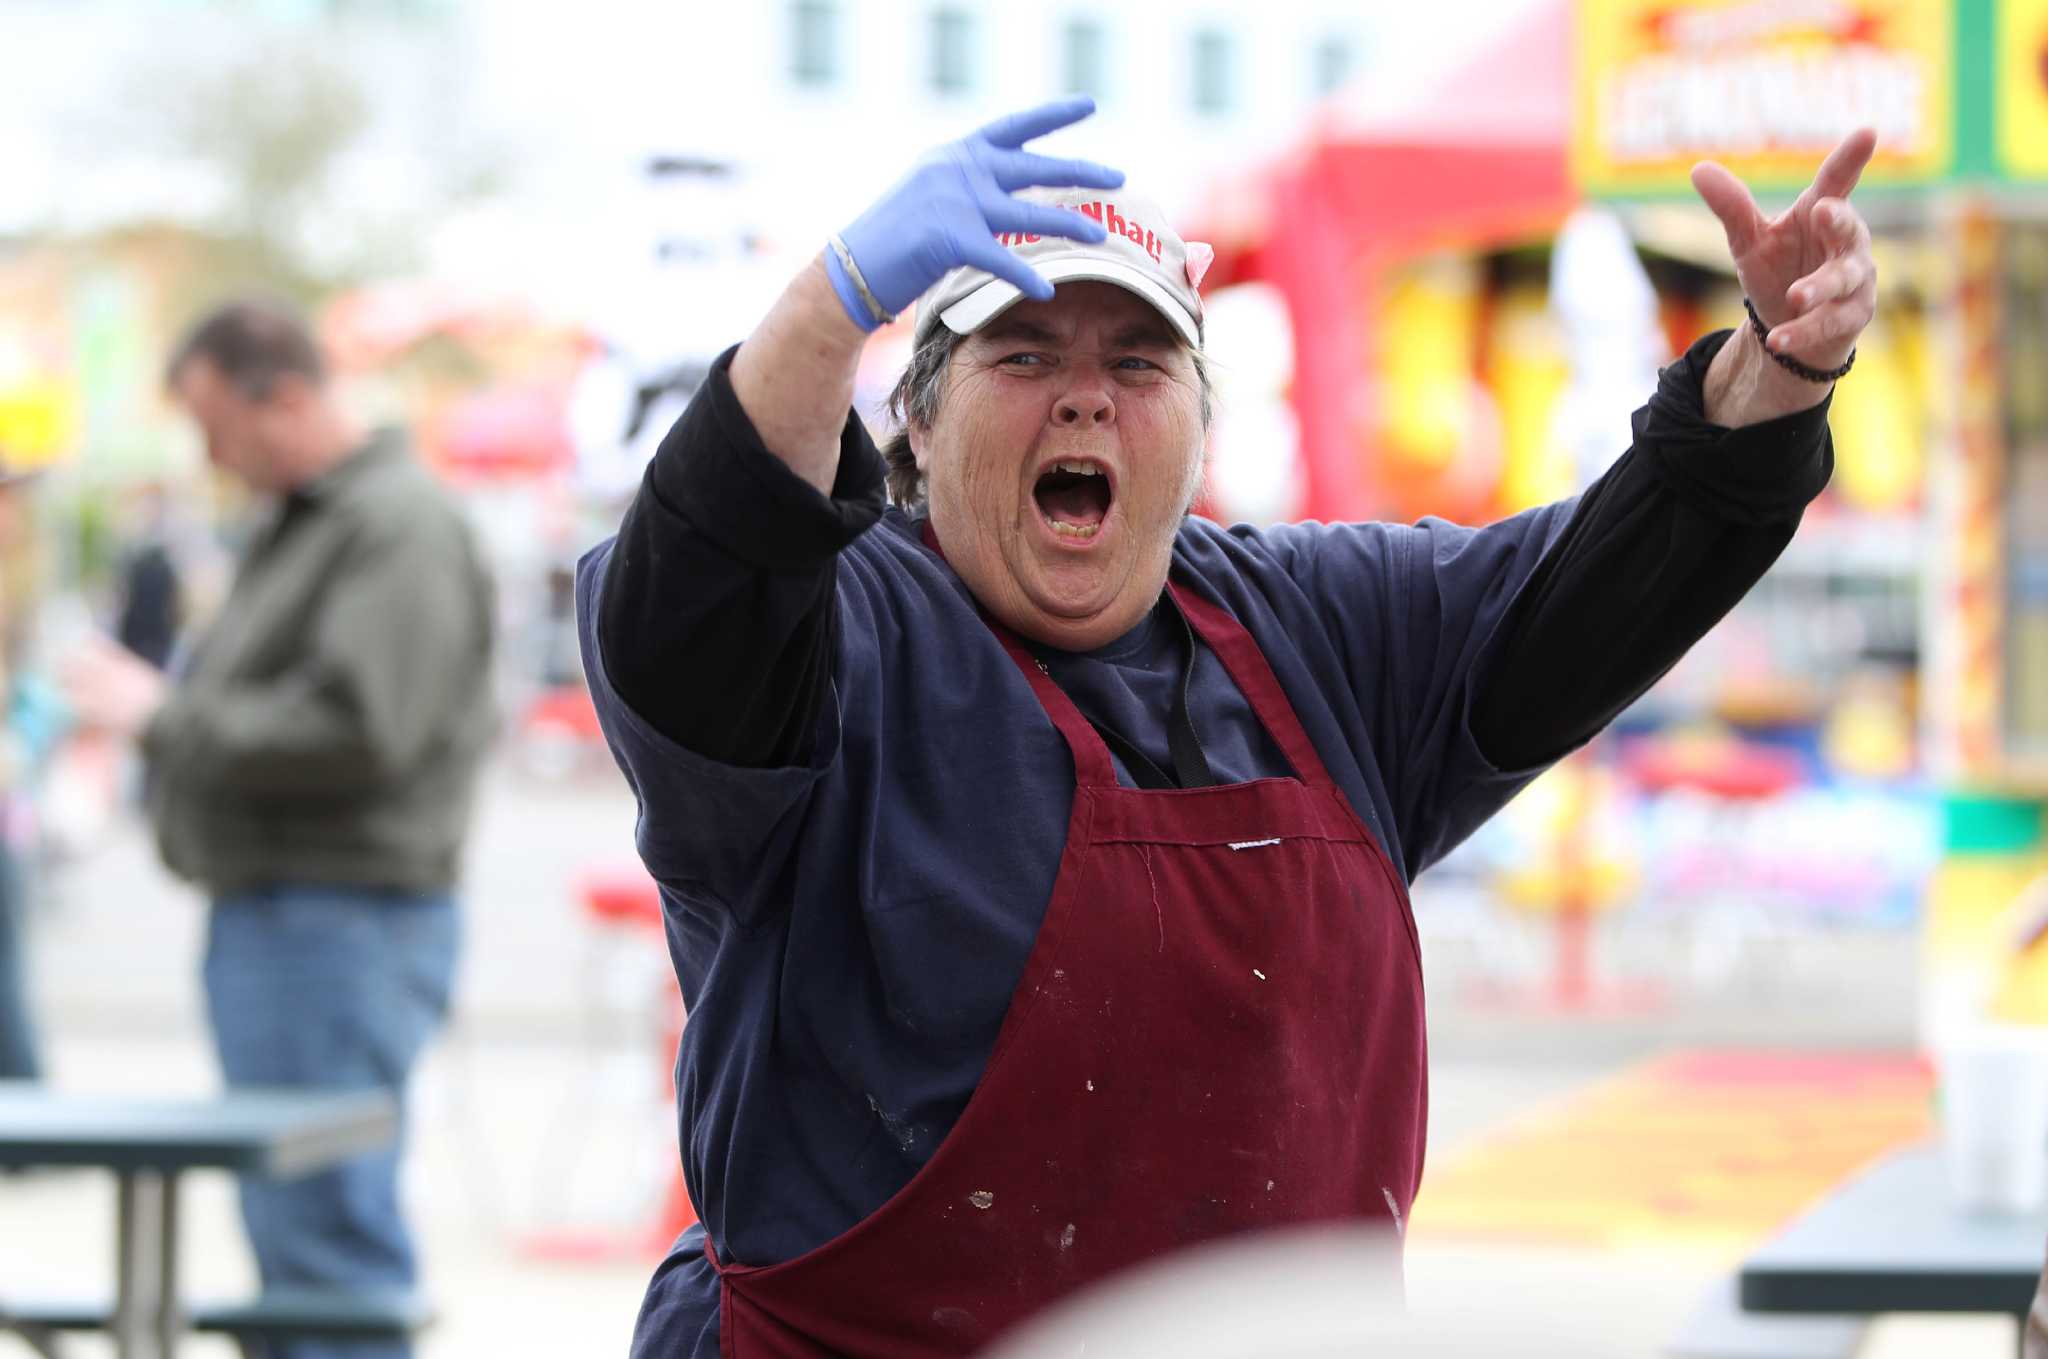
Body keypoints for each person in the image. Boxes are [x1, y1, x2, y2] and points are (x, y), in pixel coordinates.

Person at [579, 98, 1878, 1357]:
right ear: (914, 423)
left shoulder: (1324, 632)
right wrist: (834, 301)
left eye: (1138, 362)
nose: (1085, 398)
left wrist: (1775, 376)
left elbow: (1591, 590)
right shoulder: (839, 637)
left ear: (1202, 432)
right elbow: (695, 590)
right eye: (1023, 355)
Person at [61, 299, 497, 1359]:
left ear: (287, 397)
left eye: (218, 427)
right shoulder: (328, 519)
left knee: (324, 1247)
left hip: (336, 920)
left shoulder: (392, 525)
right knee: (299, 1239)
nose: (211, 456)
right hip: (301, 921)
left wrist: (160, 715)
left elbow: (360, 729)